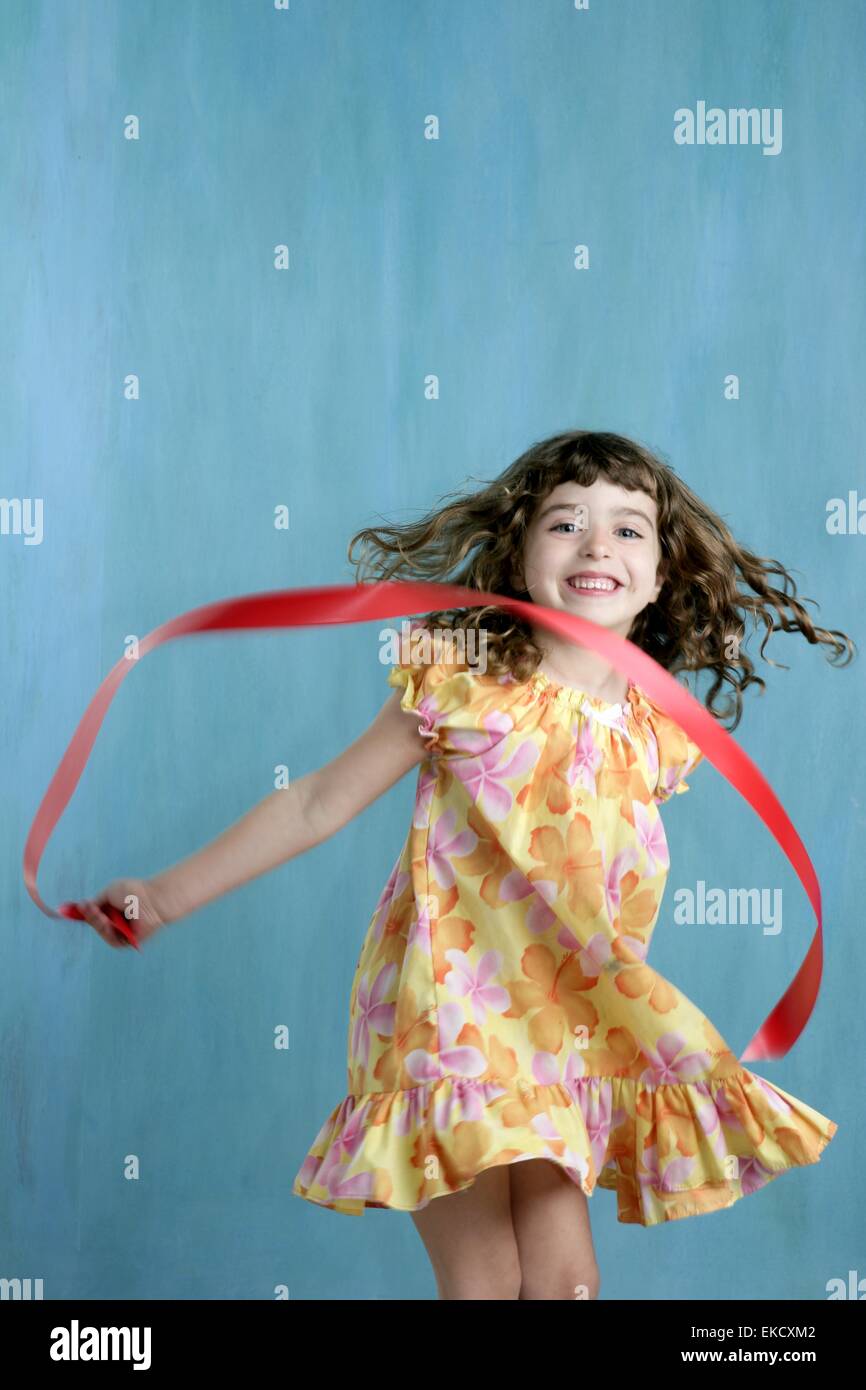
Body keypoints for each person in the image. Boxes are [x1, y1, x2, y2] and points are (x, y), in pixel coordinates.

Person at [74, 430, 852, 1301]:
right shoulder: (467, 681)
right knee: (485, 1285)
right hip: (450, 1009)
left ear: (662, 575)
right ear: (520, 555)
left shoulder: (655, 729)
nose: (597, 546)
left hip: (567, 1023)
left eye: (628, 530)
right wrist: (166, 897)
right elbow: (316, 801)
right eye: (566, 523)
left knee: (565, 1285)